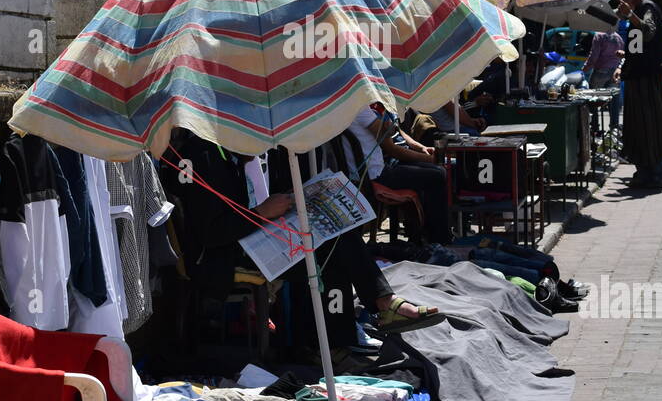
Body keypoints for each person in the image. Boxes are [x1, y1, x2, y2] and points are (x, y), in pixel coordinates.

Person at [162, 131, 435, 357]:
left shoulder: (226, 155)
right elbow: (211, 233)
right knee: (331, 247)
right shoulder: (201, 159)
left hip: (244, 242)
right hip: (220, 260)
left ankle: (337, 337)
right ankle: (367, 315)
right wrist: (261, 213)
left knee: (333, 238)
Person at [344, 104, 452, 244]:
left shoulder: (352, 108)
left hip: (370, 171)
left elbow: (395, 131)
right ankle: (438, 238)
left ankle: (426, 233)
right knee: (438, 176)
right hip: (376, 174)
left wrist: (421, 149)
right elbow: (388, 133)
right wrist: (384, 114)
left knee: (437, 172)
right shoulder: (361, 109)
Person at [615, 0, 662, 188]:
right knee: (635, 127)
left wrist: (631, 15)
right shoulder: (630, 13)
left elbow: (649, 32)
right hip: (634, 75)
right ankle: (644, 171)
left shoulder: (647, 7)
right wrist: (624, 60)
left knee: (650, 126)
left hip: (648, 77)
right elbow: (637, 46)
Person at [581, 28, 624, 130]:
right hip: (615, 72)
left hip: (601, 71)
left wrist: (584, 69)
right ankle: (614, 128)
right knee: (614, 102)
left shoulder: (599, 35)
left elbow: (594, 56)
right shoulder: (618, 38)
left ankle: (594, 127)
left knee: (592, 99)